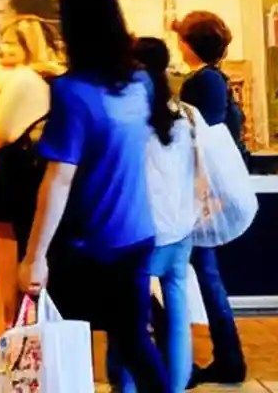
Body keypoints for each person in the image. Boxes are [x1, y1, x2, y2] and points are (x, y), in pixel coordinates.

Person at [18, 0, 167, 393]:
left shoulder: (71, 91)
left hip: (87, 241)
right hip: (137, 232)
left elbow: (59, 178)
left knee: (65, 343)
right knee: (134, 338)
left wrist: (34, 256)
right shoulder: (141, 83)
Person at [117, 37, 200, 393]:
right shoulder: (183, 113)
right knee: (178, 311)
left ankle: (127, 386)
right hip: (180, 225)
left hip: (139, 229)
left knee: (127, 317)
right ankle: (176, 386)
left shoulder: (129, 115)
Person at [173, 11, 248, 386]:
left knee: (195, 276)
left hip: (201, 193)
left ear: (187, 44)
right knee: (202, 275)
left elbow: (199, 141)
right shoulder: (216, 80)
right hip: (210, 191)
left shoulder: (200, 85)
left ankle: (215, 360)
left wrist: (199, 196)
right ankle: (225, 358)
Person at [0, 0, 64, 331]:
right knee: (33, 278)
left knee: (11, 282)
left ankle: (16, 357)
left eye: (9, 43)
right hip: (39, 188)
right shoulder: (61, 79)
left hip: (12, 188)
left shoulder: (24, 81)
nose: (2, 51)